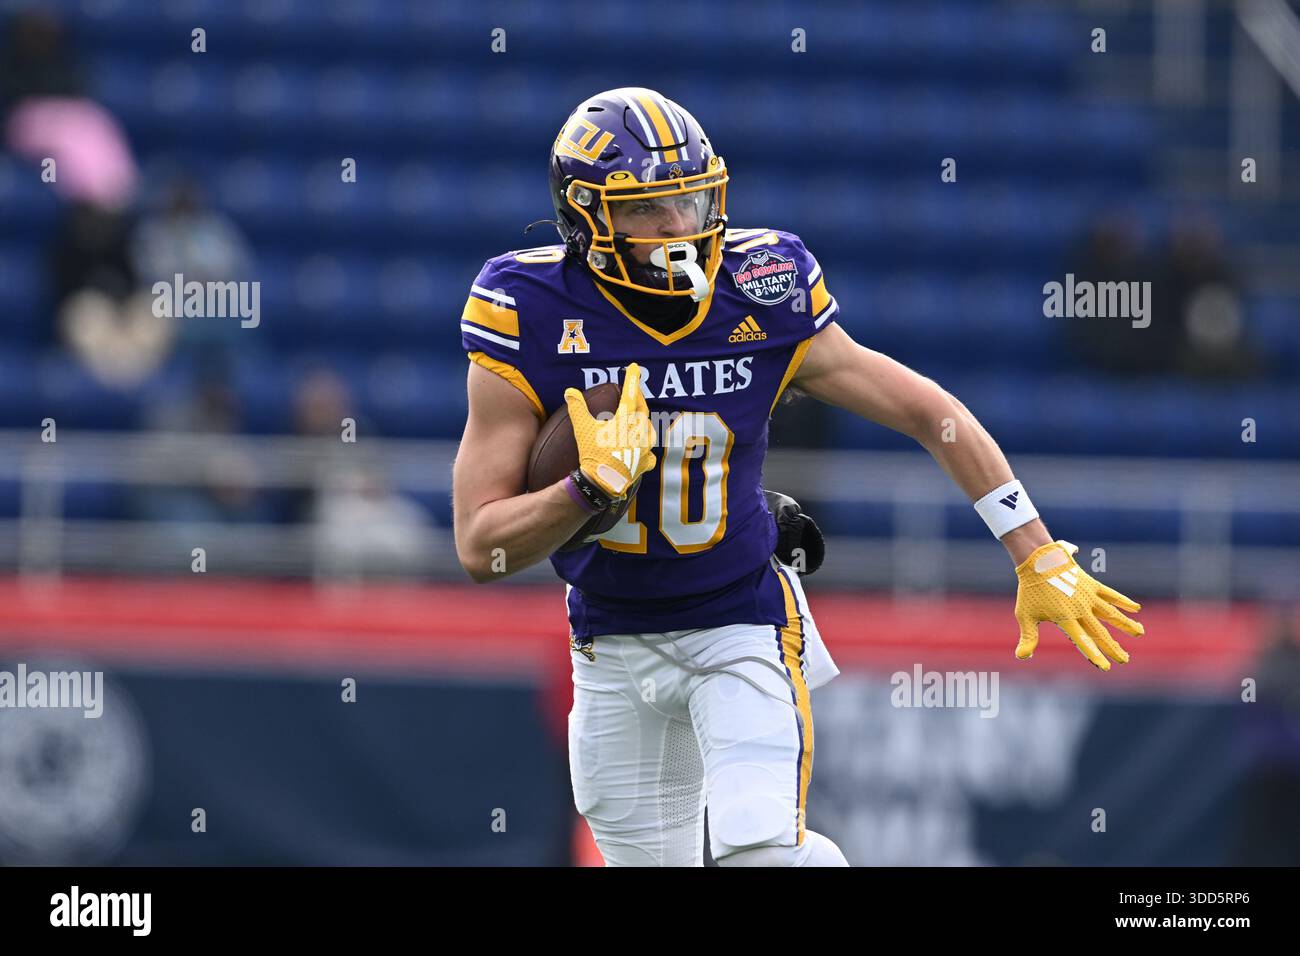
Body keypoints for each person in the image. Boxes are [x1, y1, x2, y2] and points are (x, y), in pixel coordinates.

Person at [451, 88, 1144, 867]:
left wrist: (1035, 550)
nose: (682, 227)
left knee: (759, 850)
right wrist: (586, 490)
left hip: (739, 621)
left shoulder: (764, 281)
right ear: (587, 214)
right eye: (652, 208)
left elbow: (929, 411)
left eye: (693, 199)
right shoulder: (527, 305)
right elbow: (482, 549)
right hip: (608, 641)